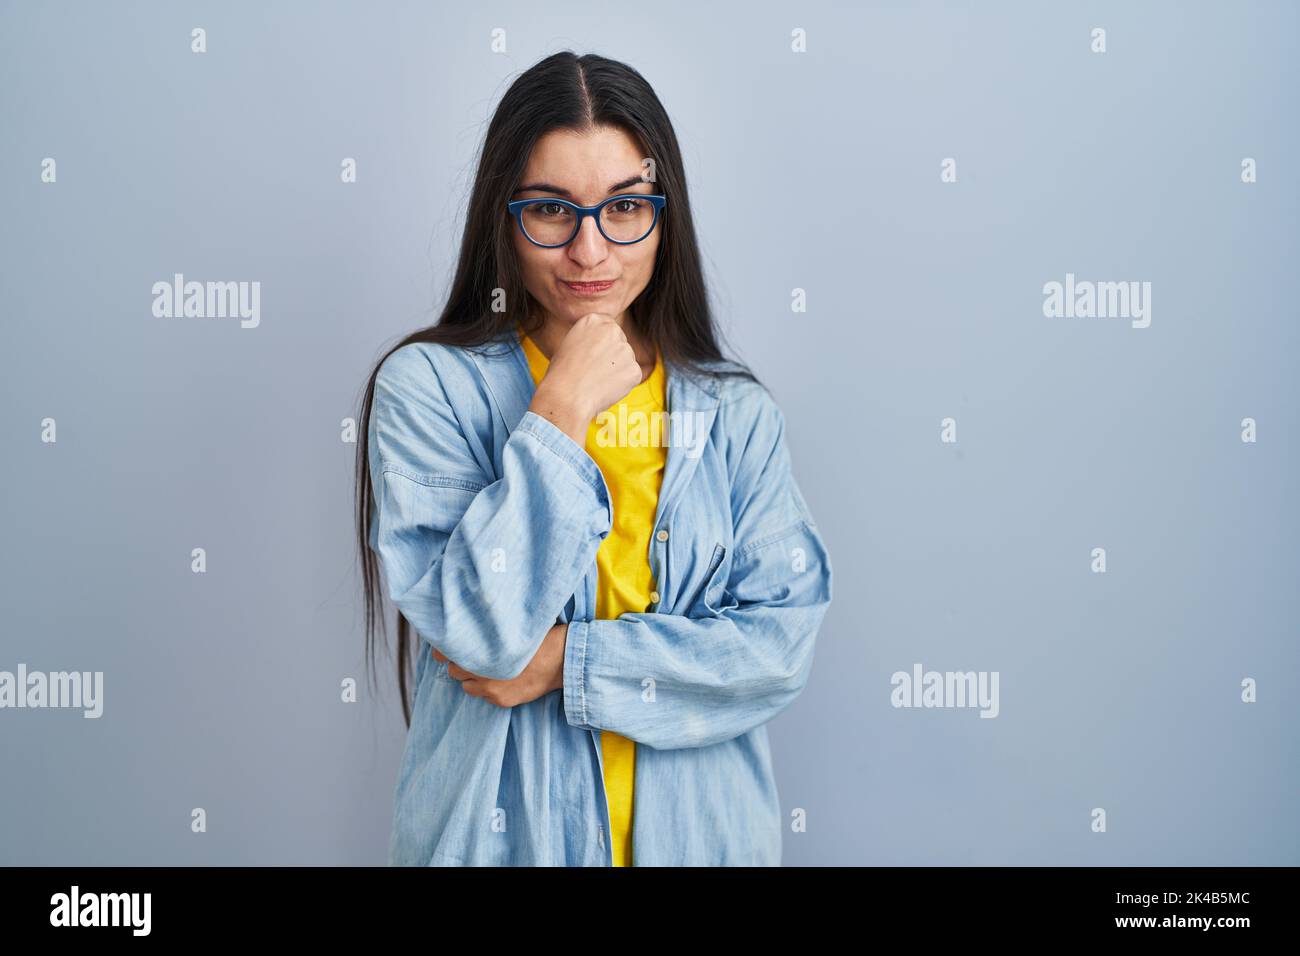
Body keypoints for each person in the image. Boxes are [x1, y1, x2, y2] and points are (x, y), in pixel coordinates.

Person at [355, 50, 832, 866]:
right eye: (551, 210)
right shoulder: (428, 391)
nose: (590, 252)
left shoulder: (736, 417)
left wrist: (567, 664)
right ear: (504, 217)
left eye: (624, 208)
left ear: (663, 214)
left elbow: (776, 650)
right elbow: (480, 633)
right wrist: (559, 410)